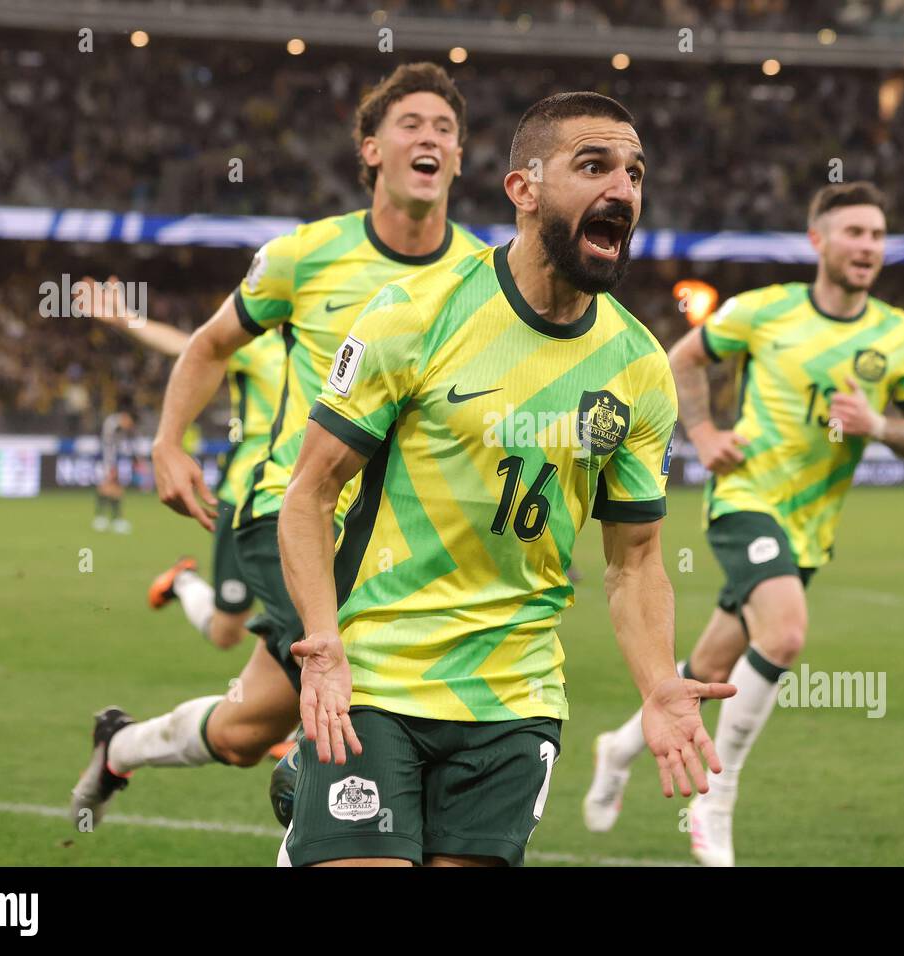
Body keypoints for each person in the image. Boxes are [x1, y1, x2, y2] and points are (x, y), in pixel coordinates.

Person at [275, 91, 734, 868]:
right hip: (377, 676)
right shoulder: (415, 313)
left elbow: (636, 559)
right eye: (593, 165)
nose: (622, 187)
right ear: (523, 190)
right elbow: (311, 493)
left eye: (634, 171)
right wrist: (321, 645)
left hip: (514, 701)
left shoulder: (638, 367)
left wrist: (660, 684)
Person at [70, 63, 485, 825]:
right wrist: (168, 440)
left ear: (459, 158)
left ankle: (120, 747)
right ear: (371, 150)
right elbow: (207, 344)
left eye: (446, 130)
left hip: (402, 537)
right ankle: (322, 805)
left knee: (243, 729)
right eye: (411, 124)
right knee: (356, 694)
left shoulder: (482, 276)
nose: (430, 137)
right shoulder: (304, 255)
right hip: (289, 511)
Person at [583, 181, 904, 866]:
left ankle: (621, 747)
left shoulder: (899, 335)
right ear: (819, 240)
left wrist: (879, 425)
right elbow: (682, 357)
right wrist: (704, 430)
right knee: (786, 630)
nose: (867, 246)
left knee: (713, 663)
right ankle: (715, 801)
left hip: (812, 526)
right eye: (854, 232)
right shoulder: (767, 310)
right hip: (746, 497)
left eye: (876, 234)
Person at [77, 275, 284, 650]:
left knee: (307, 626)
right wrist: (128, 321)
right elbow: (190, 347)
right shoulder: (258, 342)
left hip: (311, 500)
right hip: (248, 499)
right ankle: (184, 583)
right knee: (226, 633)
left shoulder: (336, 346)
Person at [93, 402, 135, 534]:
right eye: (129, 421)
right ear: (124, 416)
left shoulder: (114, 424)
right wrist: (111, 466)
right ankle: (116, 520)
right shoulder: (113, 424)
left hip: (109, 459)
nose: (130, 425)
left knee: (106, 487)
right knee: (114, 488)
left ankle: (101, 518)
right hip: (108, 460)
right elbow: (109, 445)